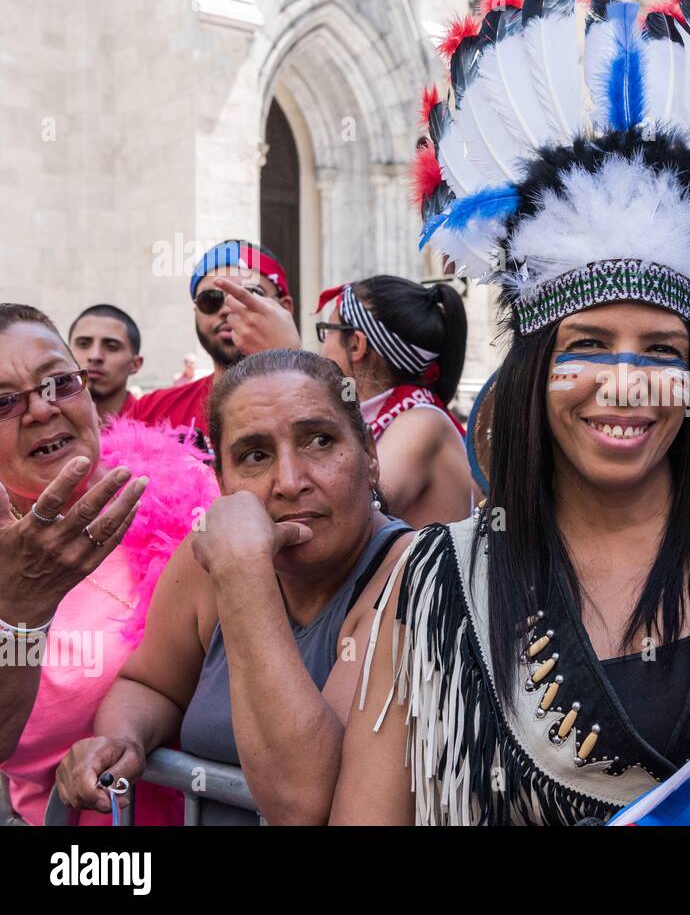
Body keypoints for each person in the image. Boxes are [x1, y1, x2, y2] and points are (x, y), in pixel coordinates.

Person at [330, 0, 690, 824]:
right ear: (534, 375)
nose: (623, 381)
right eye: (585, 346)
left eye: (658, 349)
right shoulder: (432, 585)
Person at [54, 350, 413, 826]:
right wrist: (124, 738)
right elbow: (151, 683)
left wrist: (245, 574)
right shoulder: (205, 559)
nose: (289, 482)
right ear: (221, 481)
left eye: (320, 441)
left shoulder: (412, 575)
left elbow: (304, 800)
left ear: (369, 454)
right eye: (255, 455)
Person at [0, 304, 215, 825]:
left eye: (58, 383)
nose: (41, 411)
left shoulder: (185, 484)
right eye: (3, 402)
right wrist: (22, 610)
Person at [308, 275, 474, 526]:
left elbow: (357, 513)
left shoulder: (420, 422)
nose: (321, 349)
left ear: (355, 345)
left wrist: (283, 360)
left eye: (326, 331)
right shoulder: (395, 414)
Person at [127, 240, 295, 449]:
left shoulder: (332, 398)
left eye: (248, 295)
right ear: (196, 312)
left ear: (284, 308)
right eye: (210, 299)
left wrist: (291, 365)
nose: (227, 309)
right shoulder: (149, 413)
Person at [68, 305, 144, 421]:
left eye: (111, 347)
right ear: (65, 355)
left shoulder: (153, 426)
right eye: (83, 344)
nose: (95, 356)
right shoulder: (43, 422)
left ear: (135, 364)